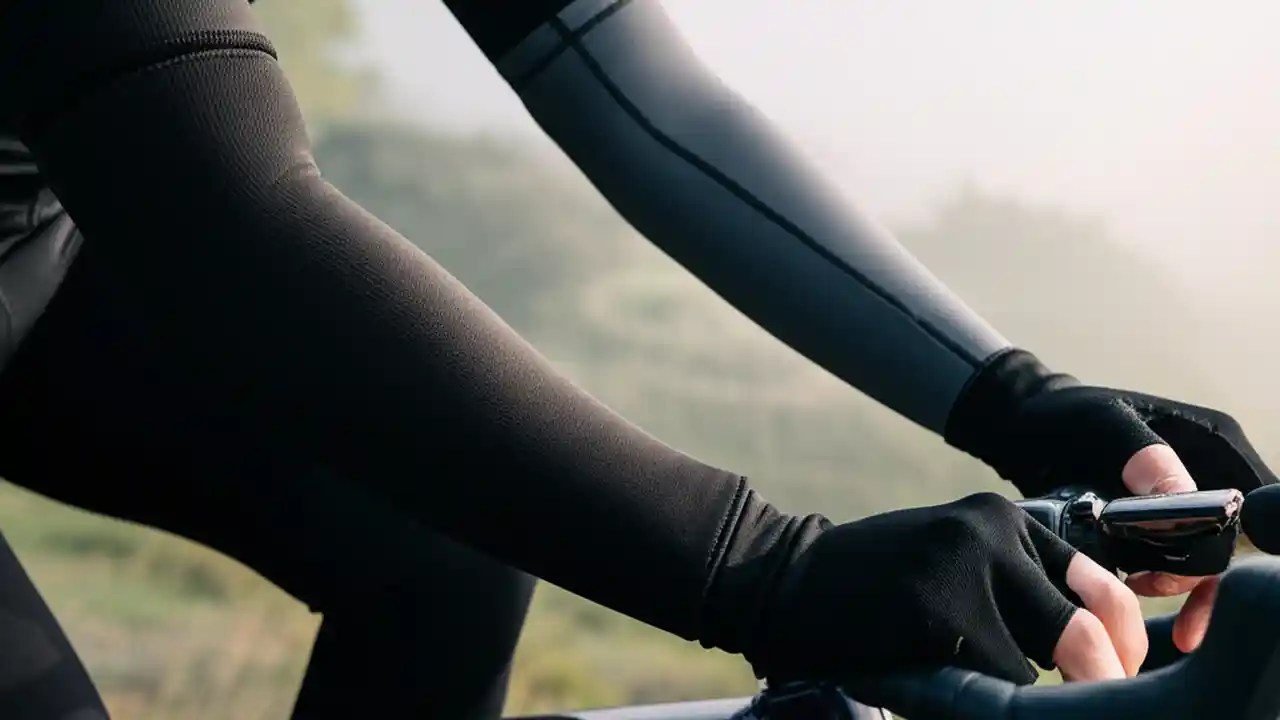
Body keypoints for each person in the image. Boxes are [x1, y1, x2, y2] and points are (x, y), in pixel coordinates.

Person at [0, 0, 1273, 718]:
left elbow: (621, 75)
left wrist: (1010, 393)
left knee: (448, 556)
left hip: (36, 270)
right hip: (111, 240)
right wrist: (771, 573)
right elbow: (217, 201)